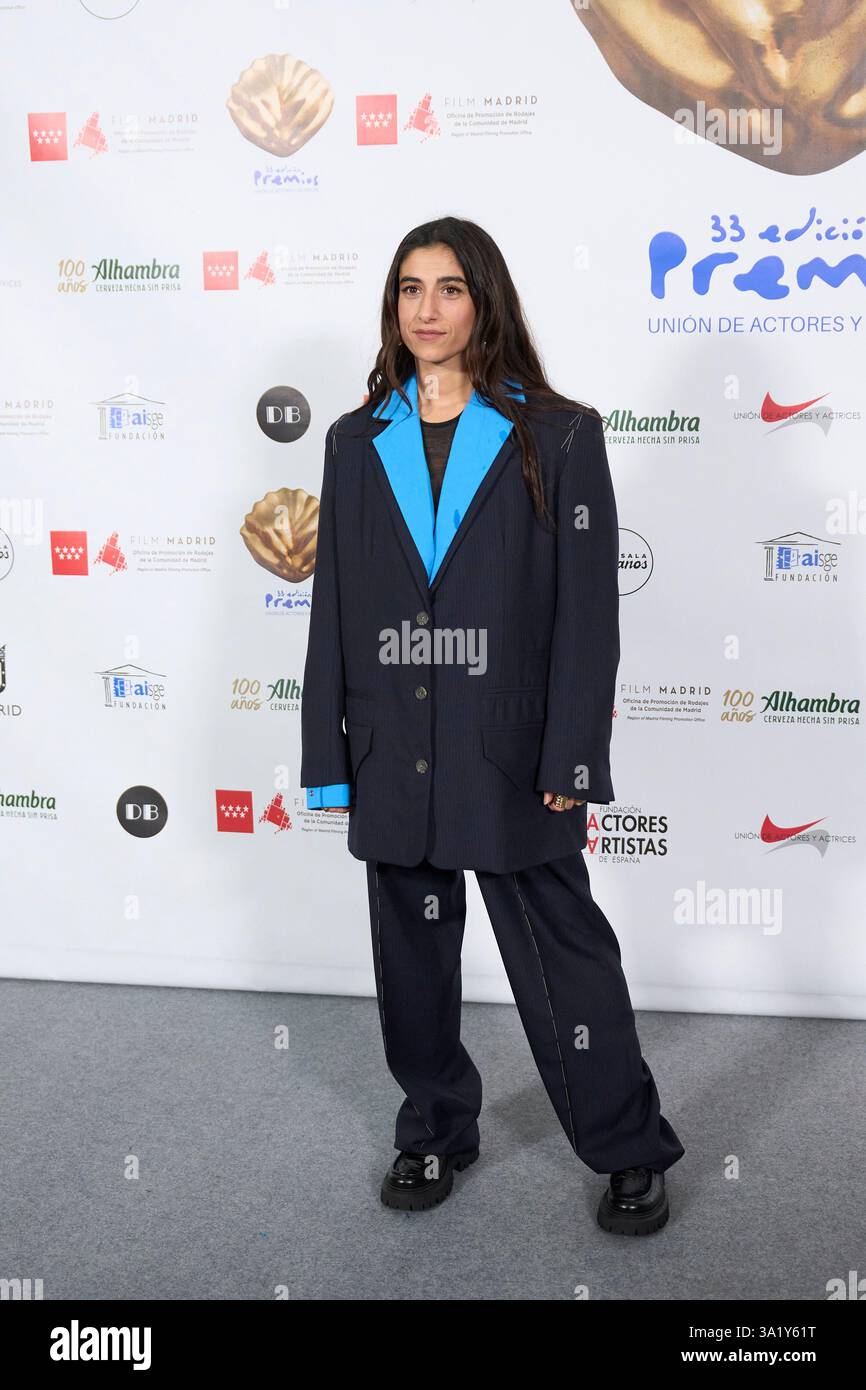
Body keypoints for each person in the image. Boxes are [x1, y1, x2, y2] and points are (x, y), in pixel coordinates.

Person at [301, 216, 684, 1236]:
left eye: (448, 289)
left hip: (512, 754)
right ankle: (431, 1125)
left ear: (485, 302)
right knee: (412, 962)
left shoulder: (558, 433)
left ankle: (626, 1148)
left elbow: (584, 617)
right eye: (408, 289)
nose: (425, 310)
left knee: (565, 961)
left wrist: (571, 752)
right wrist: (327, 757)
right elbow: (335, 607)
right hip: (392, 748)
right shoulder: (352, 440)